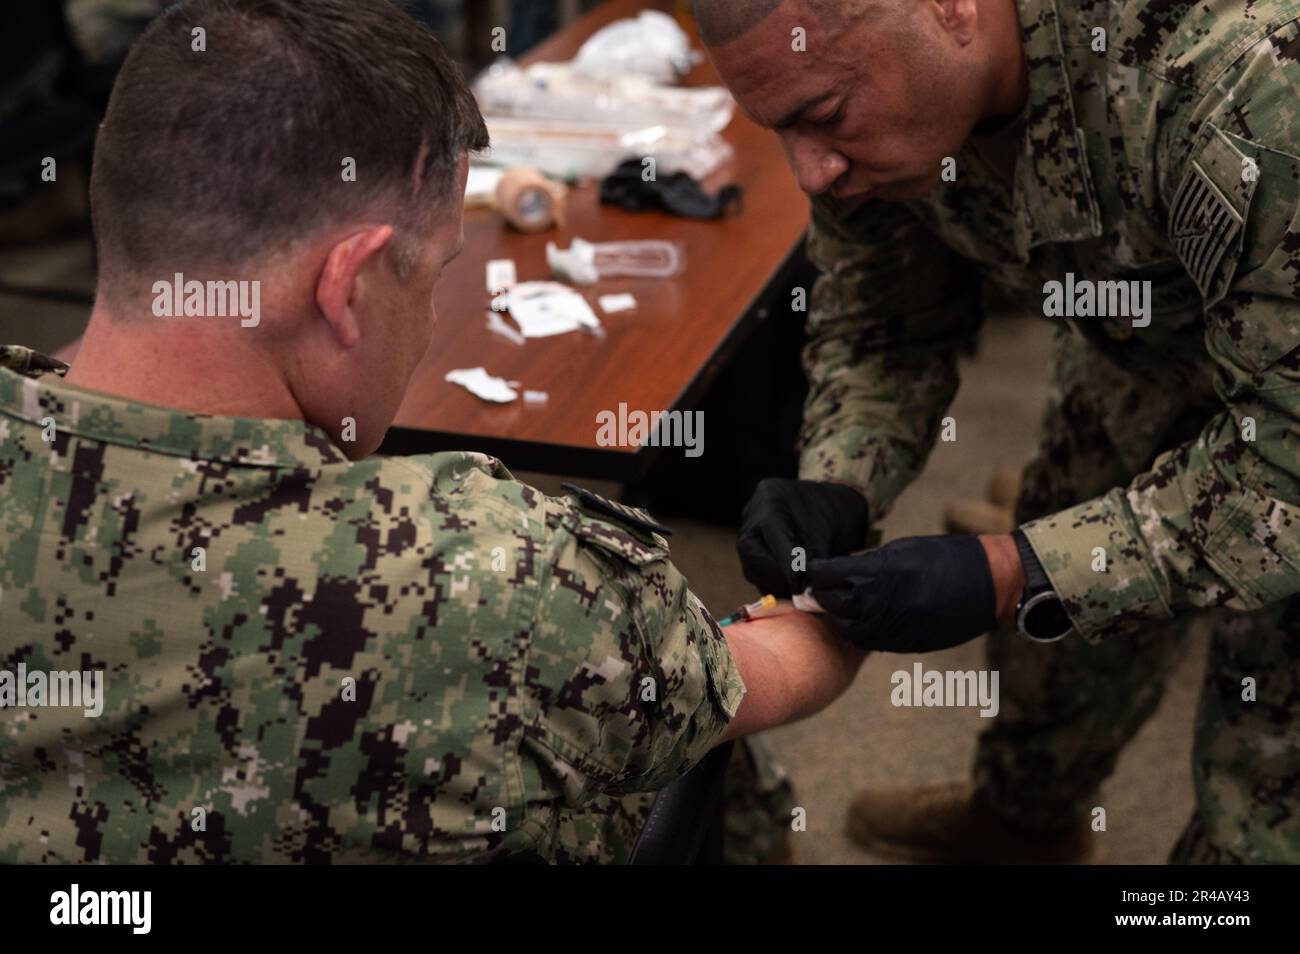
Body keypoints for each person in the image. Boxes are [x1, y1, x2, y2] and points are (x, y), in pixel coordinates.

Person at [0, 0, 865, 864]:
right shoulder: (497, 577)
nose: (428, 319)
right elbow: (769, 673)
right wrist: (861, 580)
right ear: (347, 285)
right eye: (436, 274)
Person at [696, 0, 1300, 863]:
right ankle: (1025, 822)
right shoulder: (864, 129)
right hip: (1153, 342)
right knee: (1065, 599)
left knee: (1264, 793)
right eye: (779, 129)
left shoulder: (1248, 85)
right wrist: (839, 478)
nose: (810, 171)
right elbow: (882, 325)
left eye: (823, 117)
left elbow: (1284, 465)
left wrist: (1014, 573)